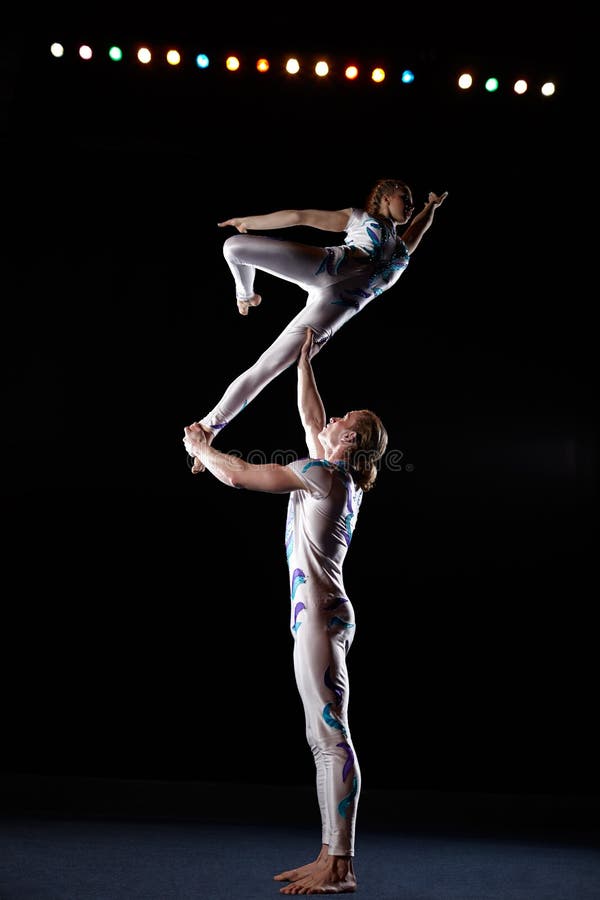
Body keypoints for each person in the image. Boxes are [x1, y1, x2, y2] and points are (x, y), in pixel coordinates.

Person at [183, 327, 388, 894]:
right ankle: (329, 854)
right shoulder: (337, 475)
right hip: (321, 613)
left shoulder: (322, 476)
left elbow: (240, 475)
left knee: (330, 734)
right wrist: (302, 362)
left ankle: (341, 865)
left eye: (344, 417)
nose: (333, 417)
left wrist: (202, 447)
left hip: (320, 615)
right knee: (319, 736)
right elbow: (309, 413)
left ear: (352, 439)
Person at [188, 177, 447, 472]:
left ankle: (208, 429)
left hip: (329, 312)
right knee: (234, 247)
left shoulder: (402, 250)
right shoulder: (359, 219)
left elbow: (418, 229)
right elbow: (301, 216)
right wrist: (248, 221)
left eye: (413, 202)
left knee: (267, 367)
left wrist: (431, 208)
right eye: (405, 196)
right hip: (325, 266)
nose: (410, 205)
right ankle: (246, 296)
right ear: (386, 197)